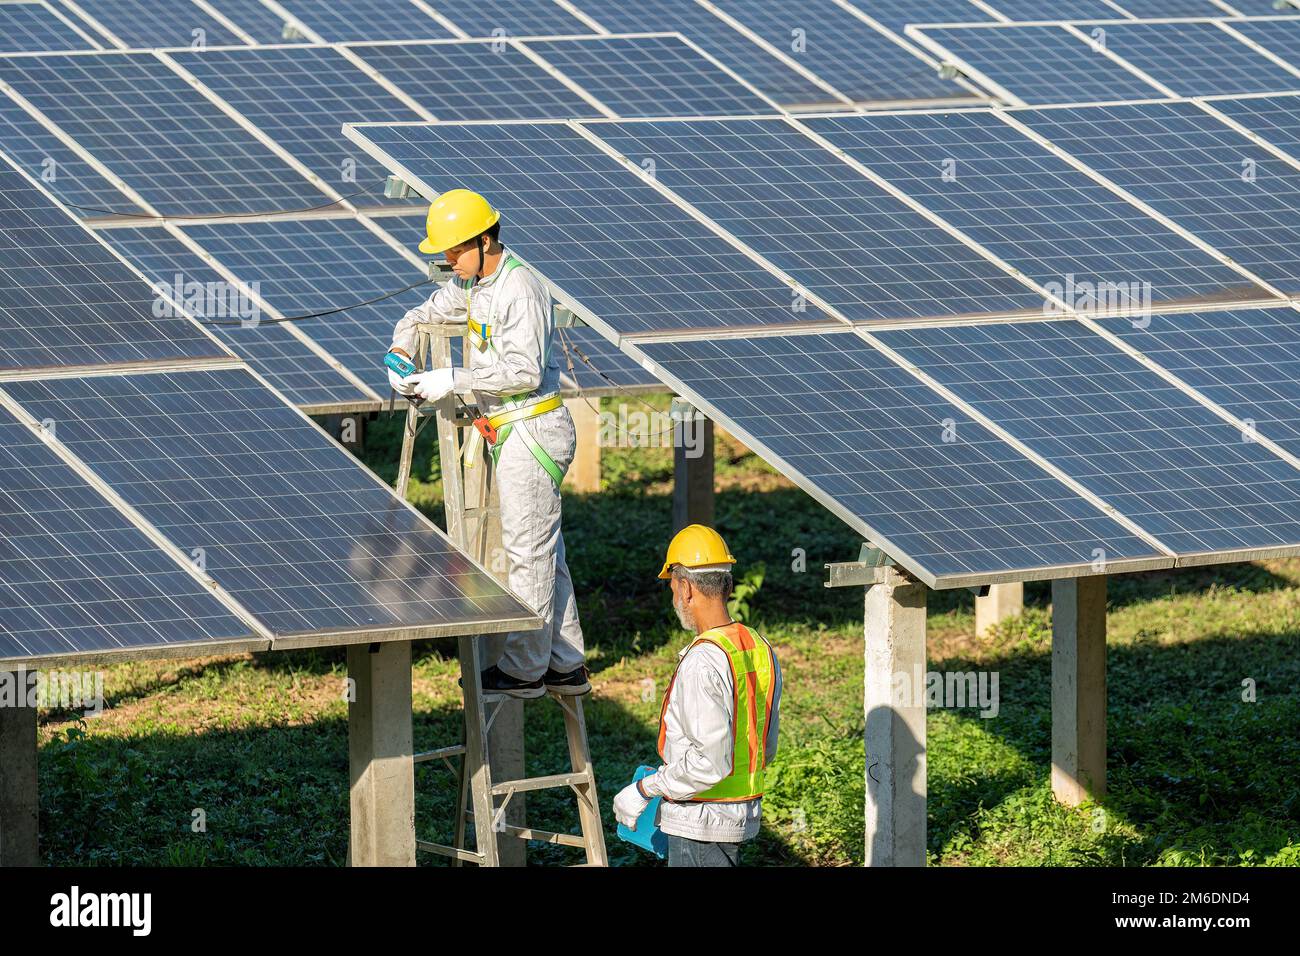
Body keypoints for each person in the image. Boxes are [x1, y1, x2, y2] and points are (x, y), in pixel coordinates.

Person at [386, 189, 586, 699]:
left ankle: (524, 670)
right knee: (546, 552)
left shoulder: (522, 287)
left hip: (533, 428)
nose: (448, 261)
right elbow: (425, 313)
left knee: (527, 553)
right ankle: (566, 661)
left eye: (454, 250)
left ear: (484, 239)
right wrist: (400, 349)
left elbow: (521, 370)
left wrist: (454, 377)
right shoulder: (474, 284)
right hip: (511, 430)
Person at [613, 525, 782, 866]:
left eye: (672, 586)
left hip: (701, 823)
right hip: (736, 814)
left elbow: (709, 762)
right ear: (727, 584)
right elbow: (766, 744)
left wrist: (646, 789)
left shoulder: (702, 661)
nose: (673, 595)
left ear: (686, 588)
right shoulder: (757, 646)